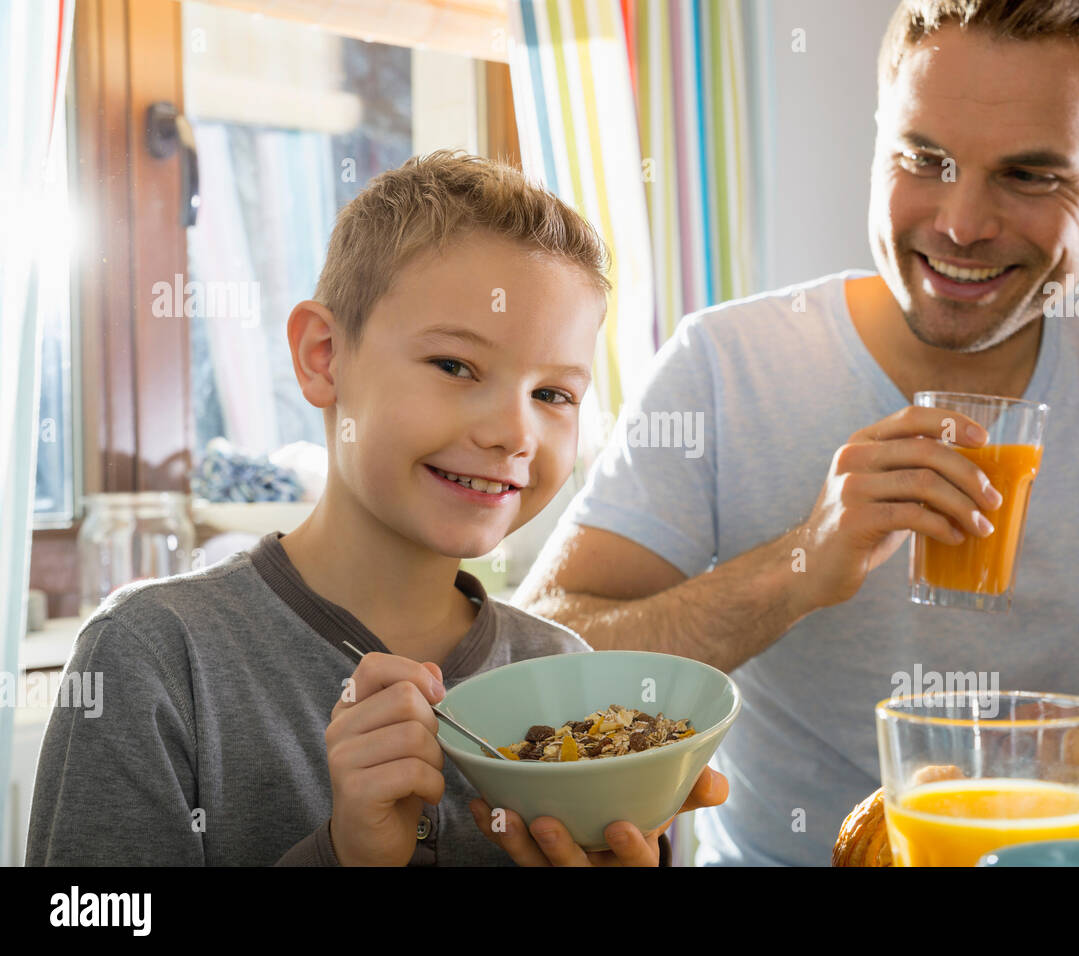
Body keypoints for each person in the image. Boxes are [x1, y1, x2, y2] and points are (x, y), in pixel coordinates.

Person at [515, 0, 1079, 866]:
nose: (962, 224)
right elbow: (536, 667)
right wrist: (801, 563)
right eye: (925, 159)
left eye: (1031, 176)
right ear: (877, 142)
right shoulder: (724, 364)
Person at [25, 150, 726, 867]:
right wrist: (341, 856)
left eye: (554, 395)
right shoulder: (154, 658)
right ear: (324, 356)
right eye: (455, 366)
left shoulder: (565, 673)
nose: (514, 433)